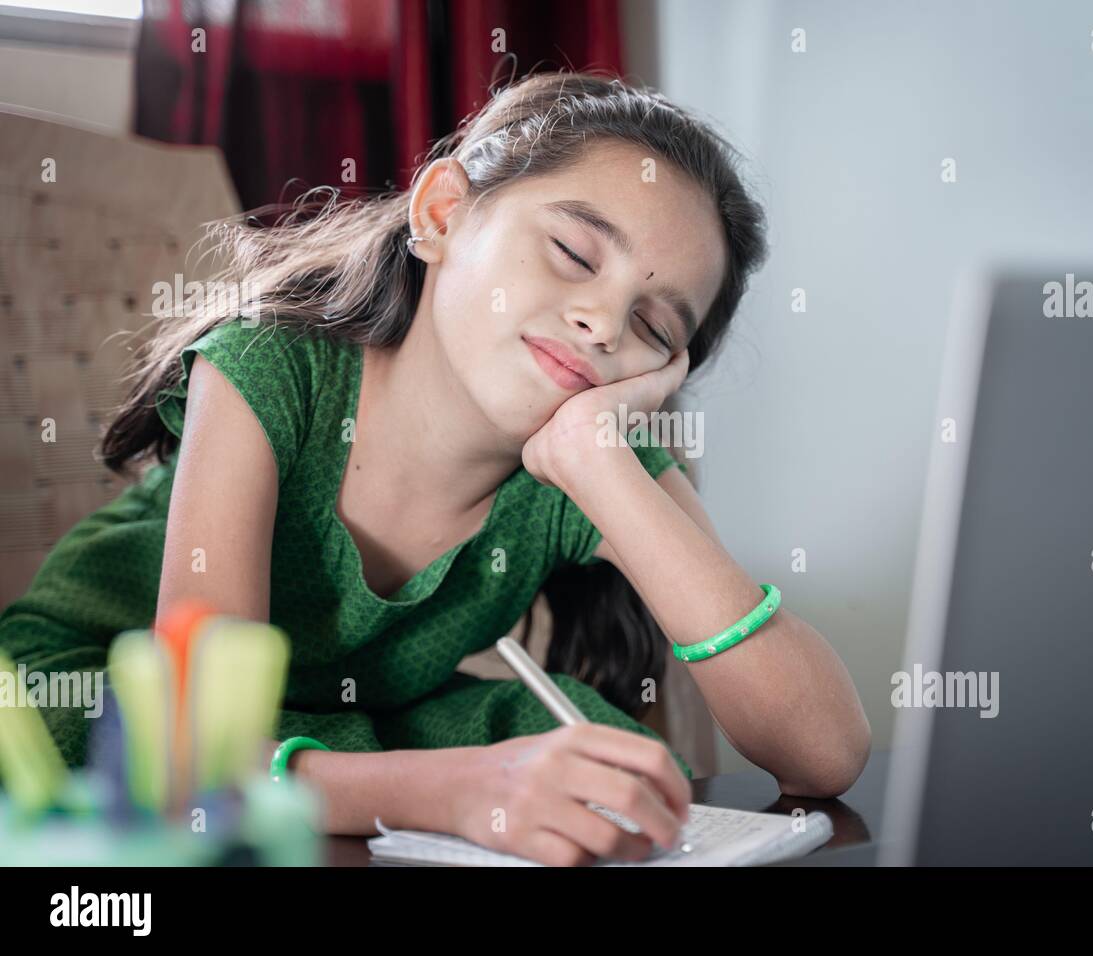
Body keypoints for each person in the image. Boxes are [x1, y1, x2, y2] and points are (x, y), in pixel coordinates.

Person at [0, 70, 869, 866]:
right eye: (573, 253)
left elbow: (824, 754)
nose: (604, 324)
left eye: (655, 328)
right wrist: (458, 796)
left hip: (346, 724)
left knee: (578, 751)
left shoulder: (593, 459)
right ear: (443, 214)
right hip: (120, 713)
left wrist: (599, 469)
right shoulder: (271, 369)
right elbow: (187, 753)